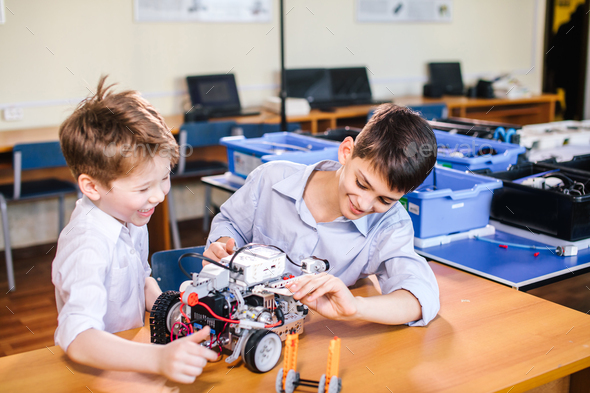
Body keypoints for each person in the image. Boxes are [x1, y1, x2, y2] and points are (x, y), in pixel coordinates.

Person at [205, 104, 440, 326]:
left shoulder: (390, 224)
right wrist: (223, 245)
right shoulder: (271, 179)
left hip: (318, 334)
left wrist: (355, 307)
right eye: (361, 183)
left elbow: (421, 295)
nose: (364, 204)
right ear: (347, 152)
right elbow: (230, 224)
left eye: (384, 200)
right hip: (246, 319)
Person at [53, 76, 217, 384]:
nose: (158, 195)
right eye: (143, 187)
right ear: (92, 186)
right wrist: (159, 358)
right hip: (94, 370)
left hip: (128, 353)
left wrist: (172, 311)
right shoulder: (87, 244)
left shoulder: (130, 215)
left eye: (164, 178)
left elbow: (138, 279)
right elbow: (78, 336)